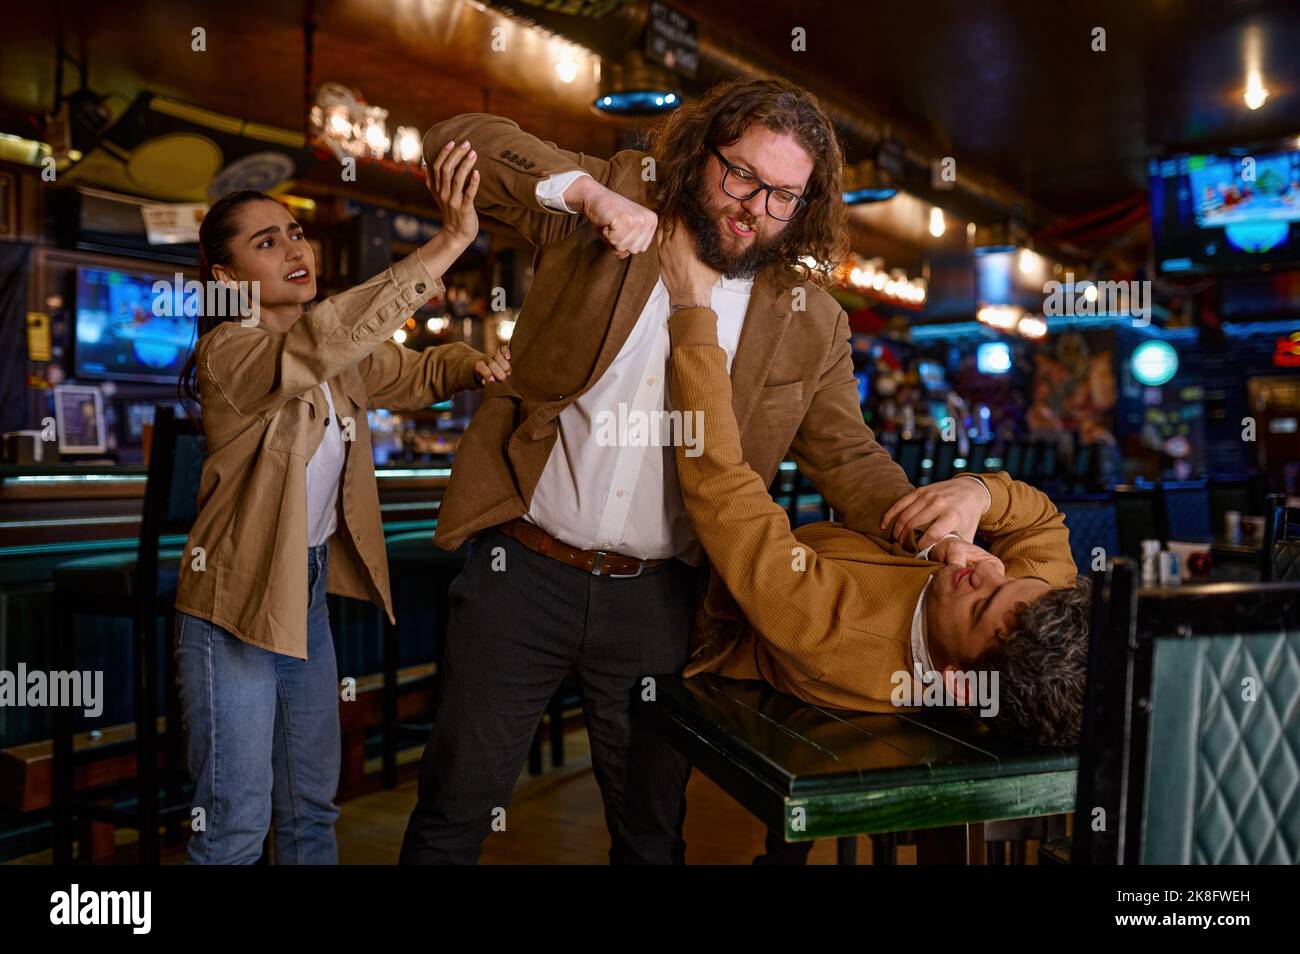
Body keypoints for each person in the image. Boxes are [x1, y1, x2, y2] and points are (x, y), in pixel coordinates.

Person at [400, 77, 986, 865]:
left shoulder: (812, 322)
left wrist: (929, 523)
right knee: (452, 812)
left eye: (784, 196)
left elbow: (849, 458)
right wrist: (587, 197)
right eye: (741, 176)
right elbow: (453, 137)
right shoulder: (613, 202)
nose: (756, 208)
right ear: (699, 149)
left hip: (662, 601)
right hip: (520, 570)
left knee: (649, 835)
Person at [657, 217, 1090, 860]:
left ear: (959, 683)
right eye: (1005, 577)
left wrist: (691, 313)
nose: (986, 571)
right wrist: (979, 491)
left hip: (711, 614)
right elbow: (1042, 523)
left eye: (977, 604)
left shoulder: (835, 632)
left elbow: (723, 492)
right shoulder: (1034, 607)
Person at [173, 147, 510, 864]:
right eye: (267, 242)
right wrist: (449, 242)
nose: (294, 246)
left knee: (310, 810)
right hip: (235, 603)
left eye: (295, 232)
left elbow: (414, 370)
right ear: (226, 279)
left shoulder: (334, 357)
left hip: (307, 596)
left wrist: (470, 363)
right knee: (235, 824)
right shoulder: (229, 354)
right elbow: (324, 338)